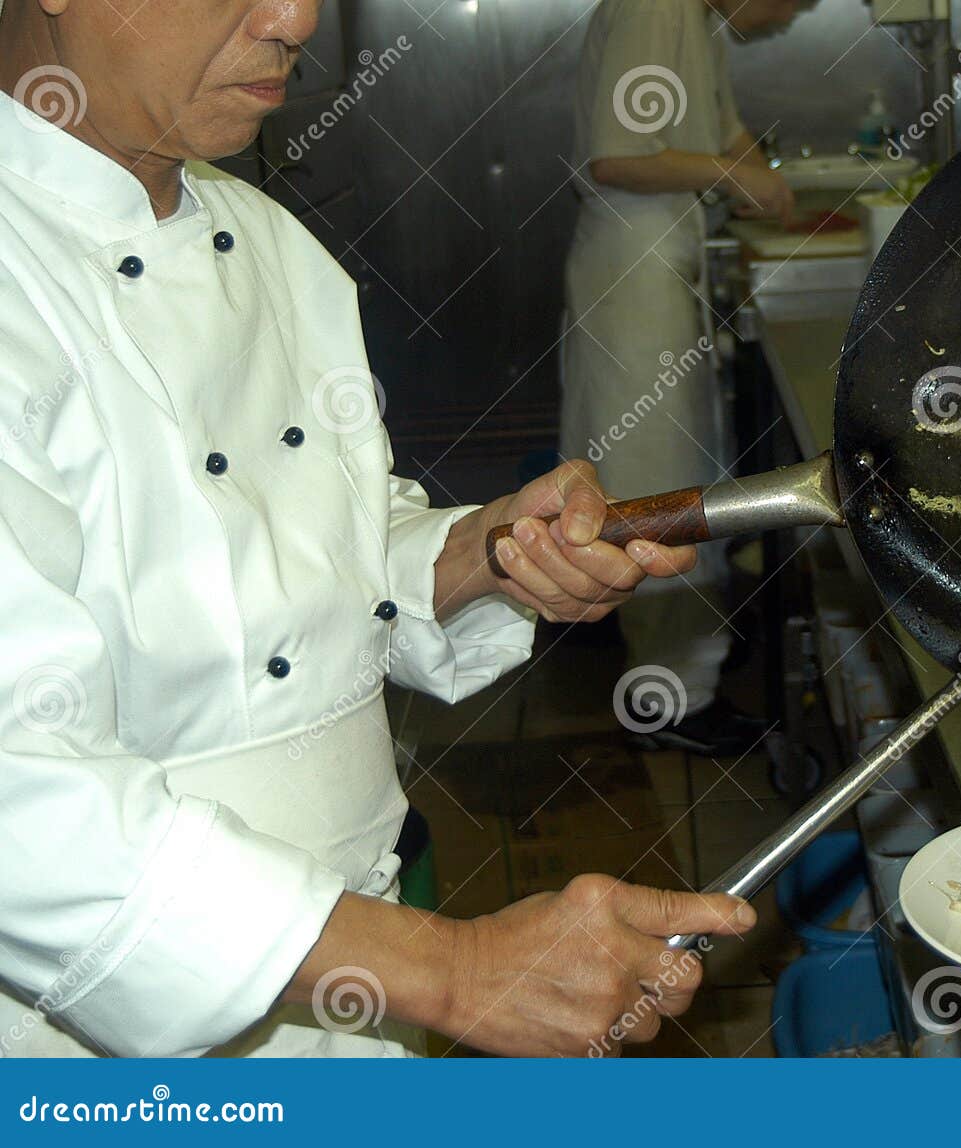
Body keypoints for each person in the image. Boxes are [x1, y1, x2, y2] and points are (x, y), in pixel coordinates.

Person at [0, 0, 754, 1058]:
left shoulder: (267, 239)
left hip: (354, 964)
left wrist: (473, 556)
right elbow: (17, 790)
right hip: (95, 1032)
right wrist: (453, 967)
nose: (297, 16)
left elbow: (314, 537)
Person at [561, 0, 802, 755]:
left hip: (666, 262)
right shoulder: (655, 7)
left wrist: (760, 176)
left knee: (684, 474)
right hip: (634, 271)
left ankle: (689, 668)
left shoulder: (696, 21)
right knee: (651, 480)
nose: (793, 13)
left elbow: (718, 127)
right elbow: (617, 156)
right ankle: (668, 706)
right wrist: (736, 174)